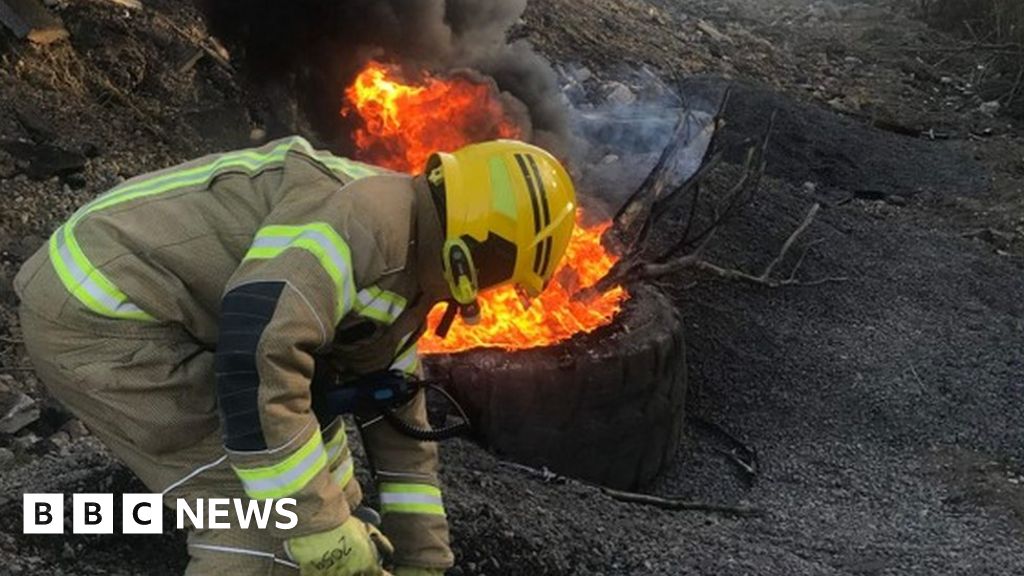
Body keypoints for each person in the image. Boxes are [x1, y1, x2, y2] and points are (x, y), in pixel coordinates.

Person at [14, 136, 577, 576]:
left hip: (168, 318)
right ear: (476, 245)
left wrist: (421, 555)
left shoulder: (412, 252)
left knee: (334, 498)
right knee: (268, 523)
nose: (489, 293)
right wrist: (314, 524)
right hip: (106, 316)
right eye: (503, 271)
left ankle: (70, 518)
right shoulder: (367, 223)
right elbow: (260, 351)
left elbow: (398, 411)